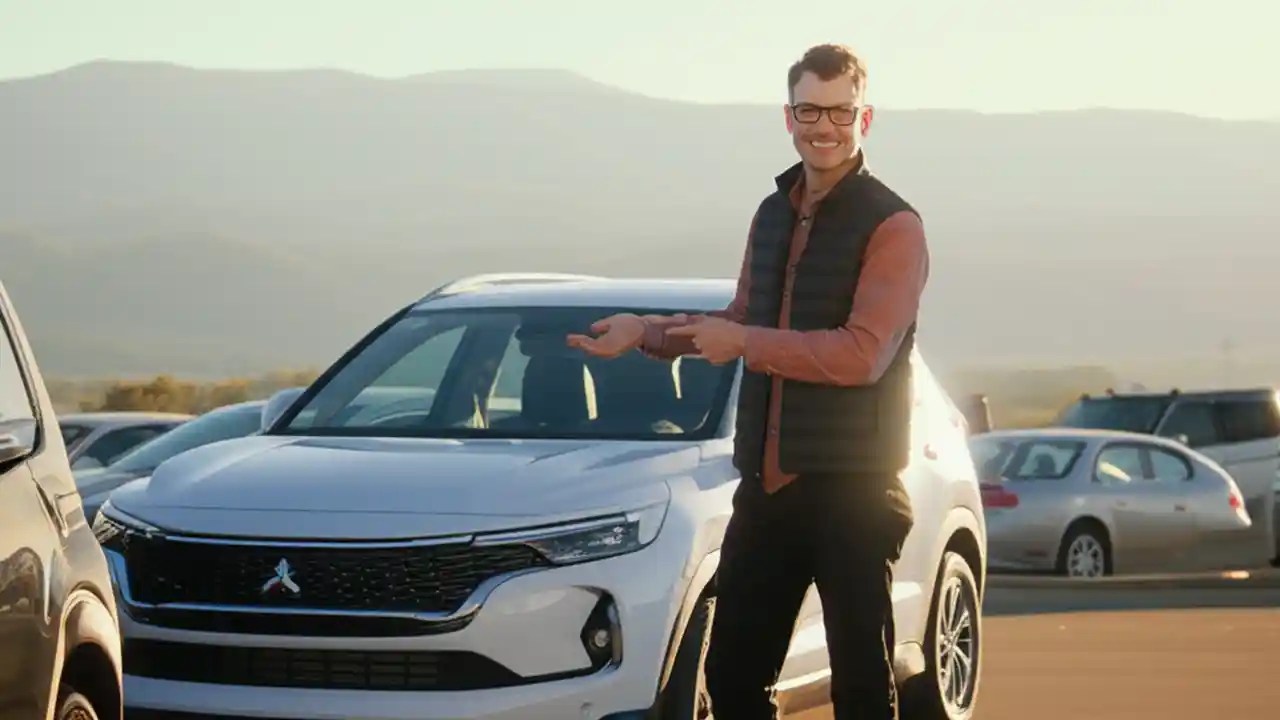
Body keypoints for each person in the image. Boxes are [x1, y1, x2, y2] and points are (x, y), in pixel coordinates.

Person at [568, 42, 929, 720]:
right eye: (808, 110)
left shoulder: (894, 225)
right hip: (768, 490)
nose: (824, 126)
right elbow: (736, 320)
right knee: (732, 678)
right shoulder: (771, 216)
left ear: (866, 118)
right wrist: (645, 333)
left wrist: (747, 343)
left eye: (839, 111)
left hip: (854, 489)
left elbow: (861, 355)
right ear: (787, 116)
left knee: (860, 689)